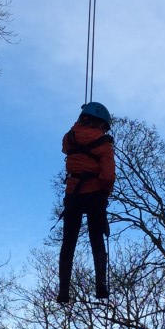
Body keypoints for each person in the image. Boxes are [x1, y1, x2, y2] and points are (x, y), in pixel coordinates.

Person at [57, 101, 115, 304]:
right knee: (97, 240)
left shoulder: (69, 138)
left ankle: (63, 290)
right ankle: (101, 286)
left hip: (73, 195)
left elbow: (66, 149)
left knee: (68, 242)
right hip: (95, 195)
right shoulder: (104, 145)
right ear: (101, 123)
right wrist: (105, 193)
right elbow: (108, 176)